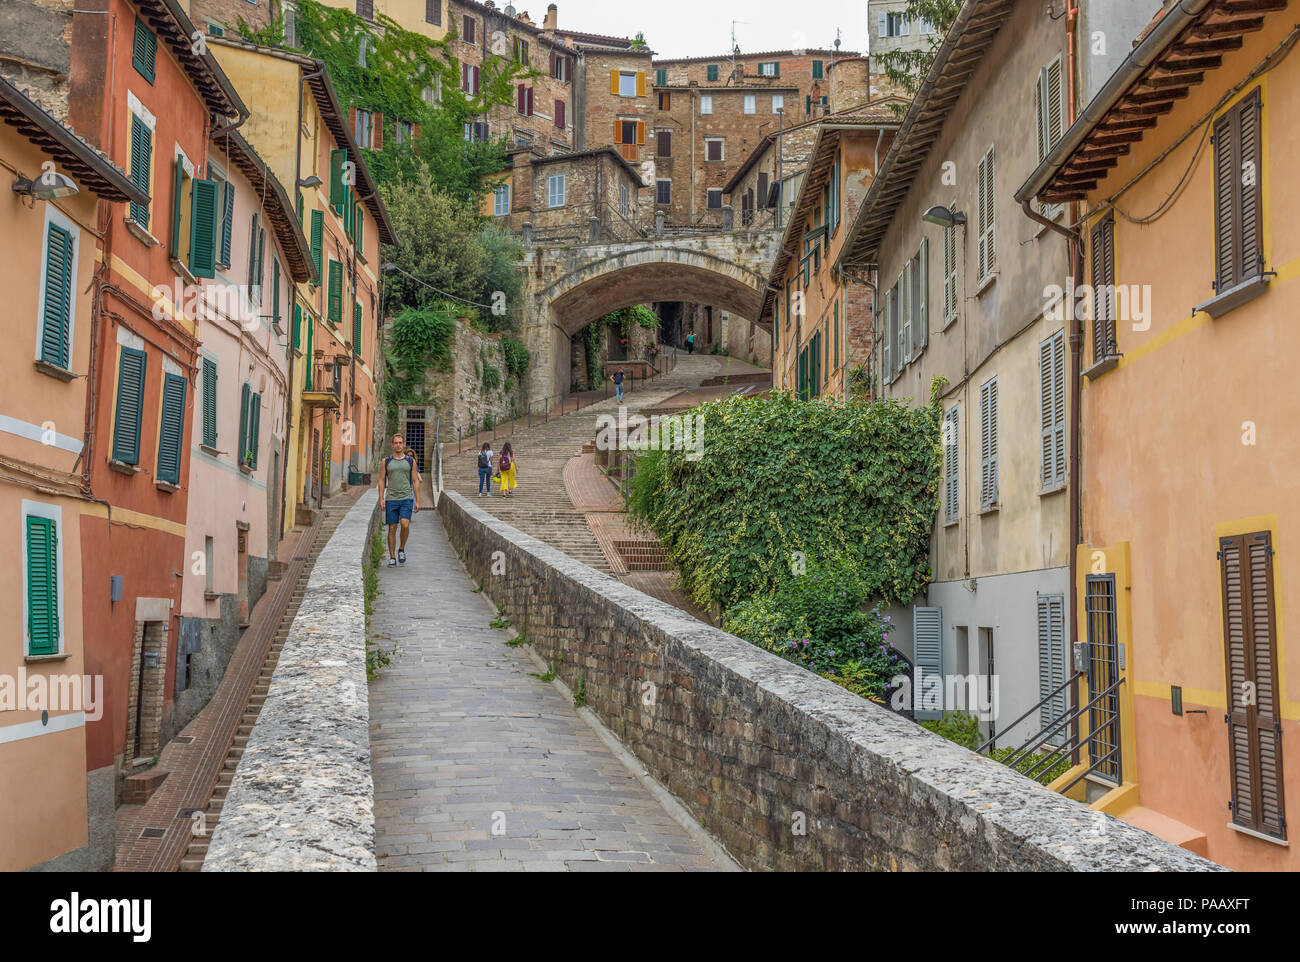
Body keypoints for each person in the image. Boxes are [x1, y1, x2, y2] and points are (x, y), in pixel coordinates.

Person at [378, 434, 420, 566]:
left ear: (403, 444)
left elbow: (415, 480)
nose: (398, 445)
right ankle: (392, 557)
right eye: (395, 443)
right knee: (392, 528)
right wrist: (381, 498)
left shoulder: (410, 461)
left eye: (400, 443)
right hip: (391, 498)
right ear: (392, 445)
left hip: (406, 497)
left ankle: (401, 548)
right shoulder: (386, 461)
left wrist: (417, 500)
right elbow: (381, 480)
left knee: (405, 524)